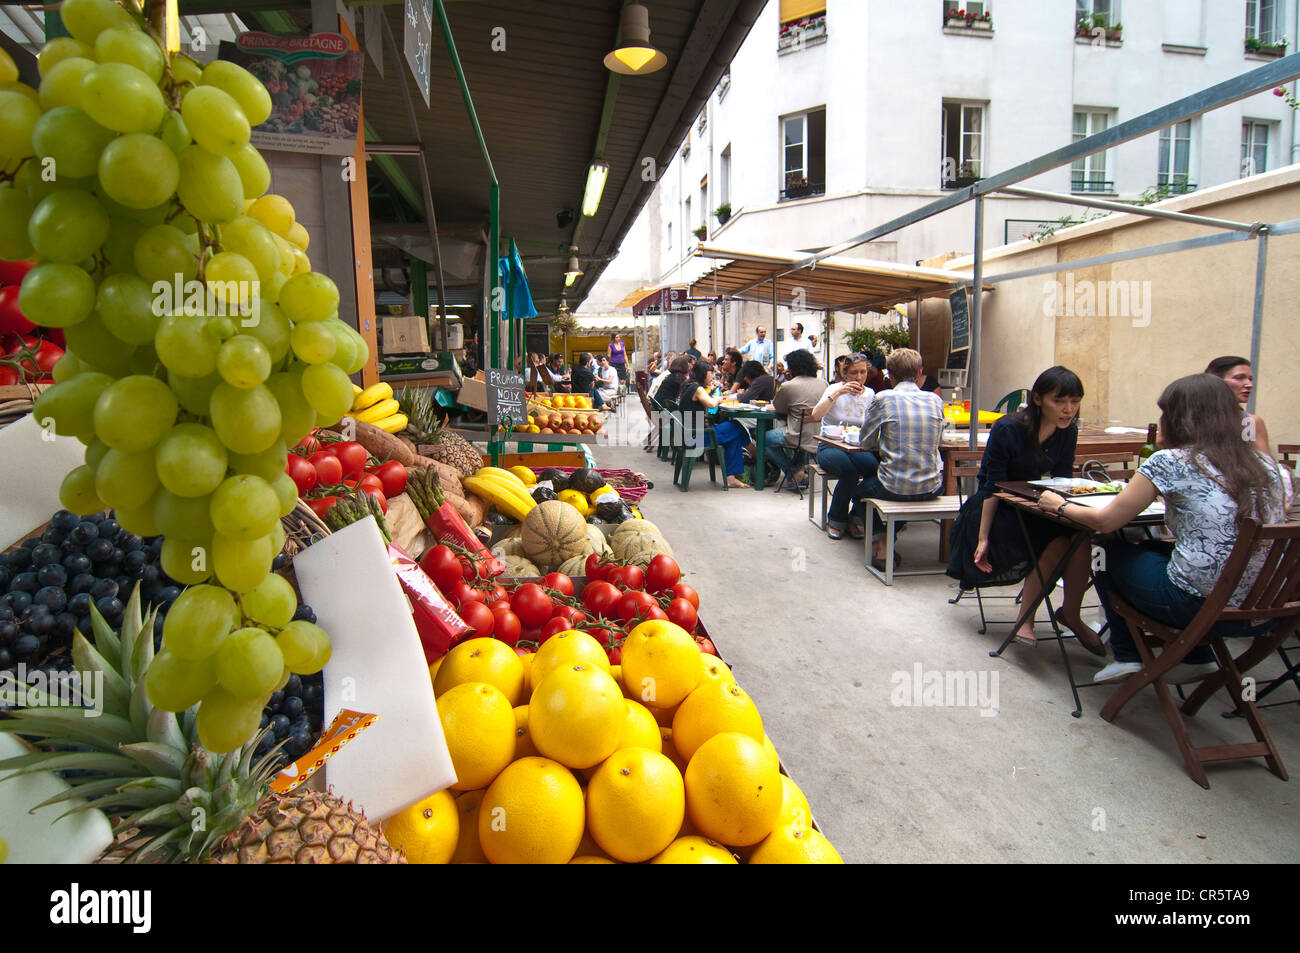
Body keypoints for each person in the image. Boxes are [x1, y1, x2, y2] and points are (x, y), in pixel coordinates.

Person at [1036, 373, 1293, 683]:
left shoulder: (1171, 461)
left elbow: (1107, 521)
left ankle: (1128, 654)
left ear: (1179, 418)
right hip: (1266, 609)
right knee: (1149, 549)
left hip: (1198, 608)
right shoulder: (1265, 465)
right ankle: (1196, 656)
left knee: (1107, 548)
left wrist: (1059, 505)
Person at [946, 365, 1098, 649]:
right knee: (1056, 541)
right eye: (1059, 401)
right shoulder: (1008, 429)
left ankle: (1071, 613)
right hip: (996, 510)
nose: (1068, 410)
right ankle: (1026, 620)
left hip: (1034, 505)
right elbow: (992, 486)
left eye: (1074, 402)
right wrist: (982, 538)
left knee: (1080, 536)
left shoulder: (1067, 432)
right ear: (1038, 399)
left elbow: (1062, 479)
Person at [849, 348, 946, 567]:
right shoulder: (935, 400)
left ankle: (881, 544)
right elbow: (938, 440)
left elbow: (866, 442)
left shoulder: (883, 398)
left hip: (893, 486)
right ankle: (886, 540)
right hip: (932, 486)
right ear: (920, 372)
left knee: (860, 493)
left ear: (889, 375)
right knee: (899, 491)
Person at [810, 355, 877, 539]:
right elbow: (816, 415)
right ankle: (836, 519)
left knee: (874, 469)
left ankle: (856, 517)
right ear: (844, 373)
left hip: (856, 446)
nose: (859, 377)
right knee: (849, 471)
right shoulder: (833, 389)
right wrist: (839, 393)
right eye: (854, 372)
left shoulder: (870, 394)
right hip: (829, 445)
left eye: (863, 372)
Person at [677, 360, 750, 488]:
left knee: (734, 436)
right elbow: (711, 404)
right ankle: (753, 453)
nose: (713, 376)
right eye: (711, 373)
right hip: (696, 438)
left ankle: (731, 478)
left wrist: (712, 391)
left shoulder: (689, 386)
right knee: (737, 427)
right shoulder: (697, 388)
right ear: (703, 374)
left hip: (689, 434)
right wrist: (720, 398)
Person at [767, 348, 826, 489]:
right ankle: (799, 469)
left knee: (767, 438)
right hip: (819, 436)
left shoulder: (789, 385)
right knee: (796, 435)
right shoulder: (824, 383)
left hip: (797, 435)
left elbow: (779, 408)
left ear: (792, 367)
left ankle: (792, 472)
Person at [1205, 355, 1270, 455]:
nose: (1249, 385)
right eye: (1239, 378)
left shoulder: (1249, 422)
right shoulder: (1189, 418)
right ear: (1216, 381)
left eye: (1250, 379)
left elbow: (1266, 466)